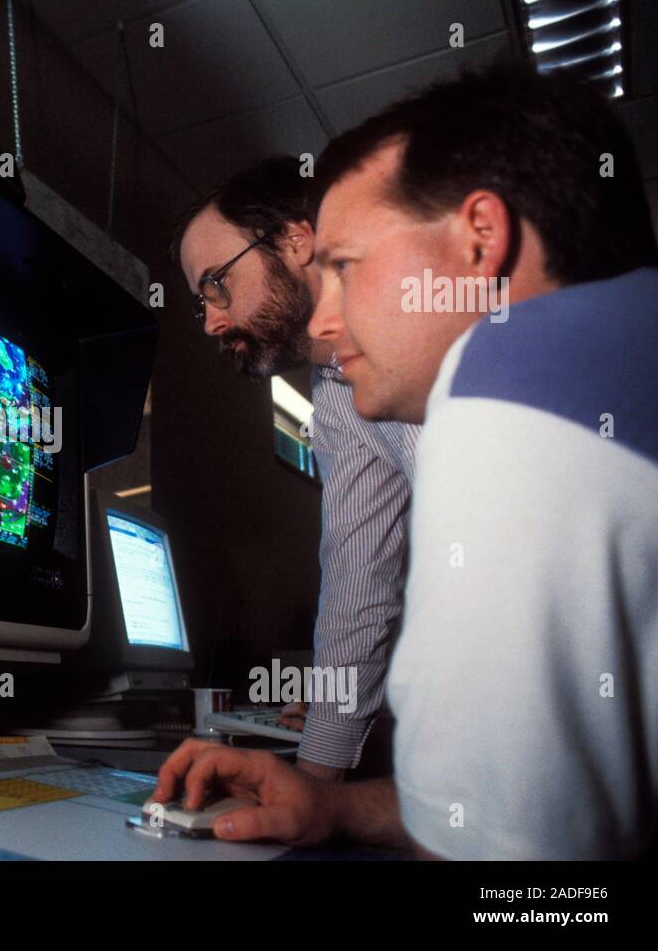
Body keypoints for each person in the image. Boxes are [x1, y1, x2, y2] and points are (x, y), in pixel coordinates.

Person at [155, 63, 658, 859]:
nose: (329, 312)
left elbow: (530, 886)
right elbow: (497, 812)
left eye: (346, 266)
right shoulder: (609, 340)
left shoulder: (511, 375)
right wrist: (332, 801)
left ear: (480, 240)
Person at [173, 158, 419, 780]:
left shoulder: (425, 316)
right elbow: (358, 571)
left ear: (295, 239)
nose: (211, 321)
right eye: (200, 302)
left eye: (217, 285)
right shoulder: (335, 391)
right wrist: (315, 775)